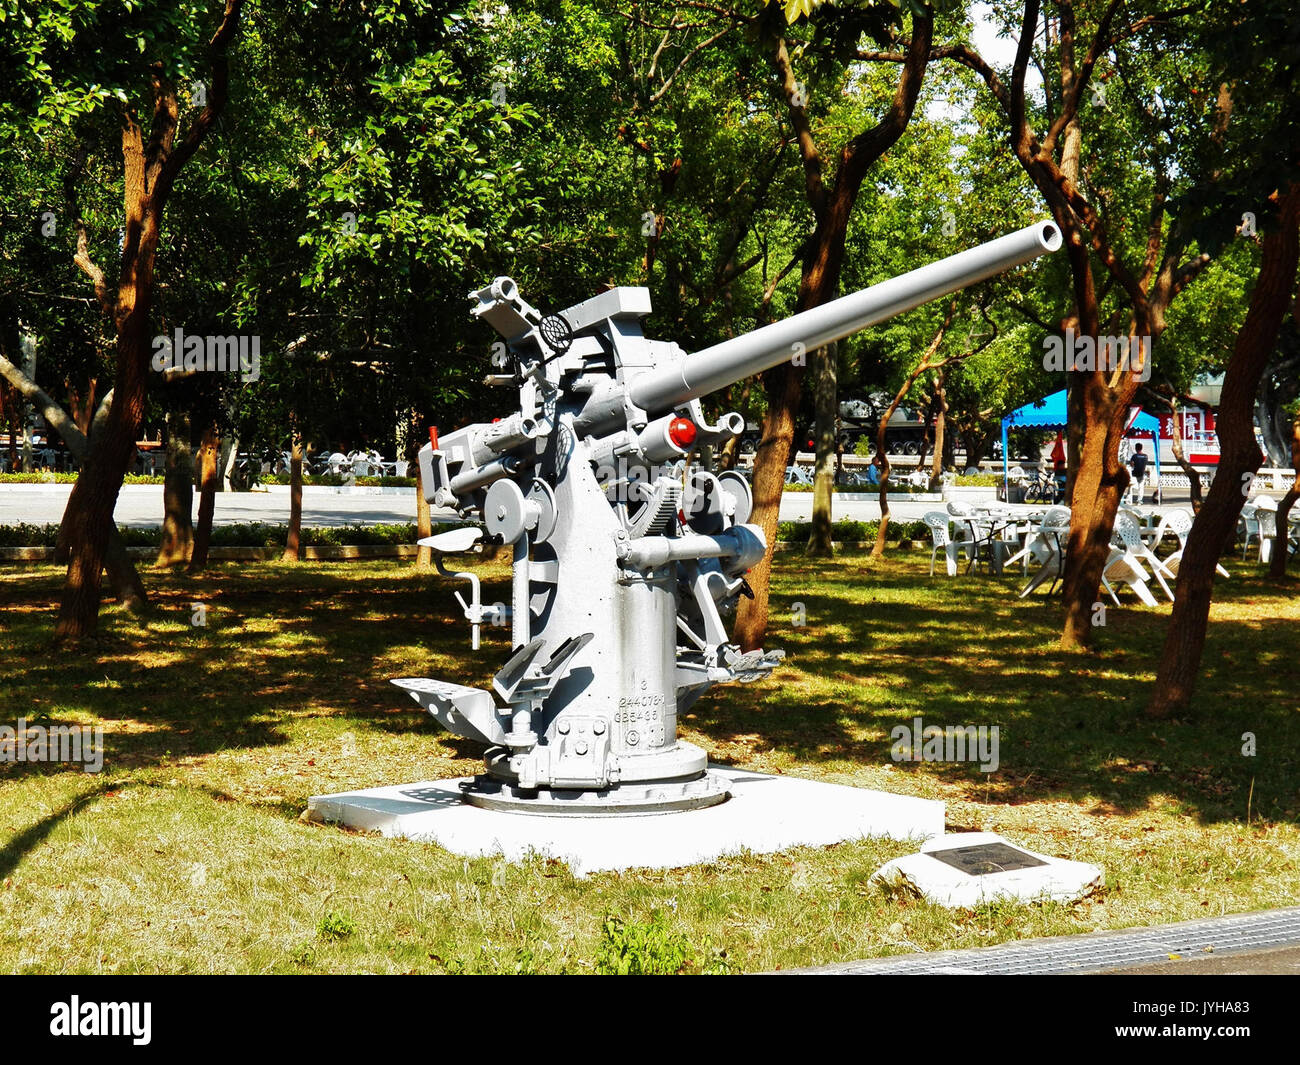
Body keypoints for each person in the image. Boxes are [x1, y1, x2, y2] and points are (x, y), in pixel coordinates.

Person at [1049, 431, 1067, 503]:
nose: (1063, 466)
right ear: (1060, 465)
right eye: (1062, 465)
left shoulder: (1060, 471)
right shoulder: (1061, 471)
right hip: (1063, 487)